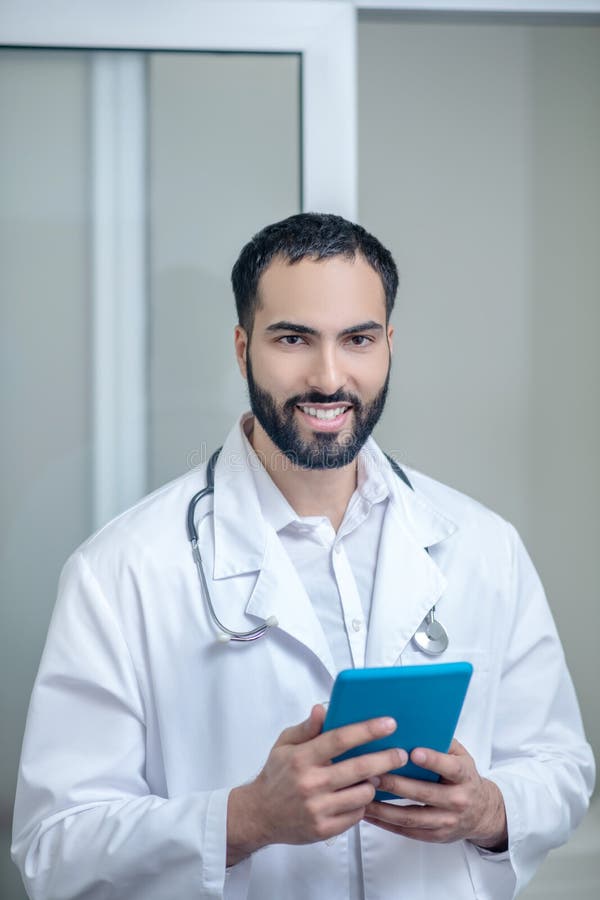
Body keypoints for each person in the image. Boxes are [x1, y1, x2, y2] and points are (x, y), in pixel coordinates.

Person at [12, 213, 594, 900]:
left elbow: (560, 765)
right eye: (293, 338)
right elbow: (54, 848)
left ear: (389, 345)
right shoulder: (120, 571)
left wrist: (491, 809)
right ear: (242, 347)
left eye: (357, 339)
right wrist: (244, 819)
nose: (328, 377)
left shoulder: (484, 547)